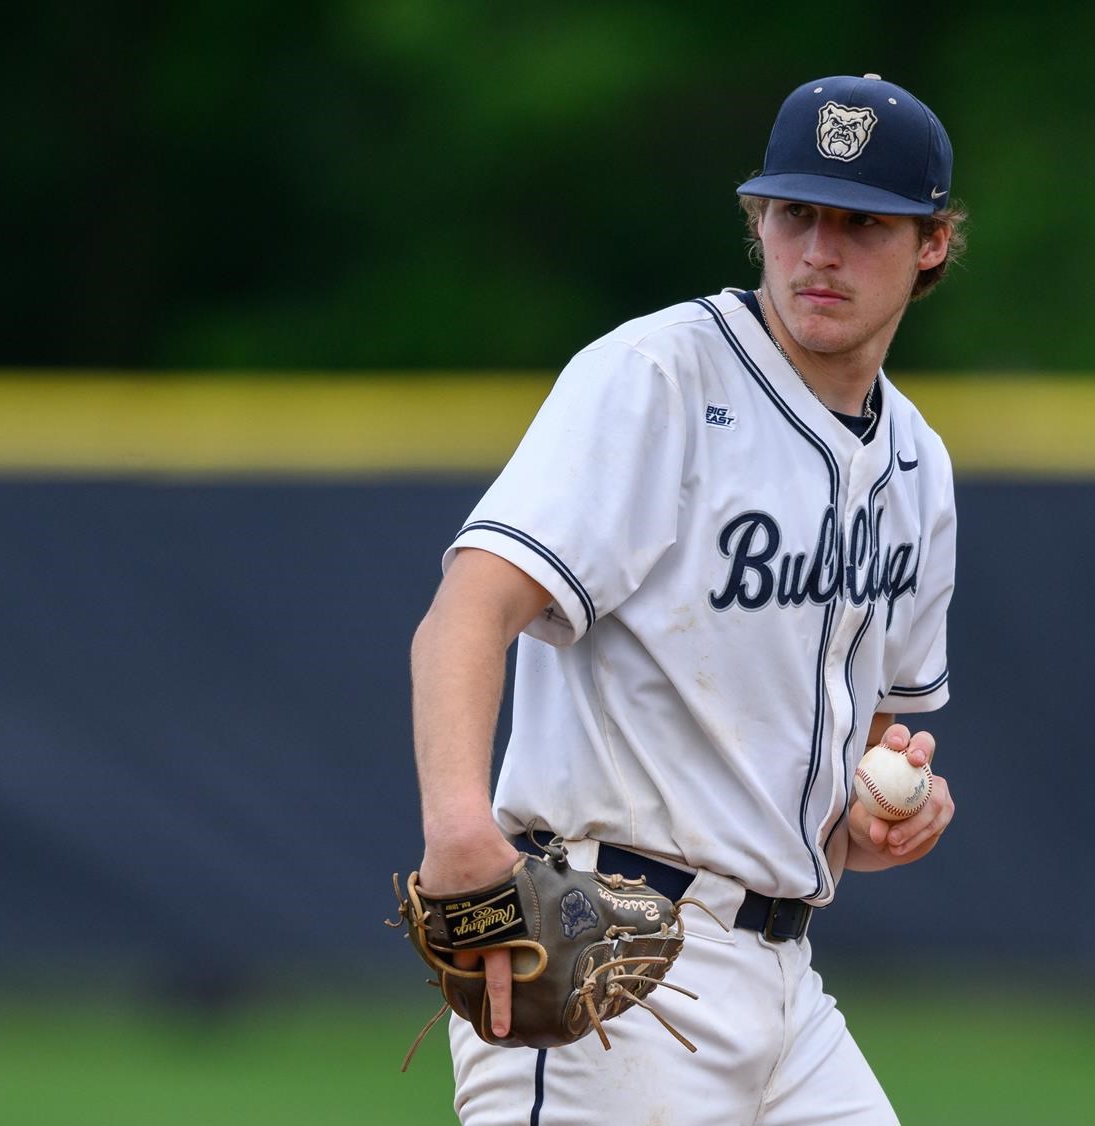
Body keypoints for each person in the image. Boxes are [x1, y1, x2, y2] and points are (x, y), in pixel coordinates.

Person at [410, 73, 966, 1125]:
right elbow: (466, 609)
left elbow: (855, 748)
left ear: (930, 242)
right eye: (794, 213)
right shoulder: (657, 378)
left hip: (785, 983)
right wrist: (455, 828)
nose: (818, 251)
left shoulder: (916, 465)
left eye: (860, 224)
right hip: (610, 960)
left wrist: (877, 812)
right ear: (756, 219)